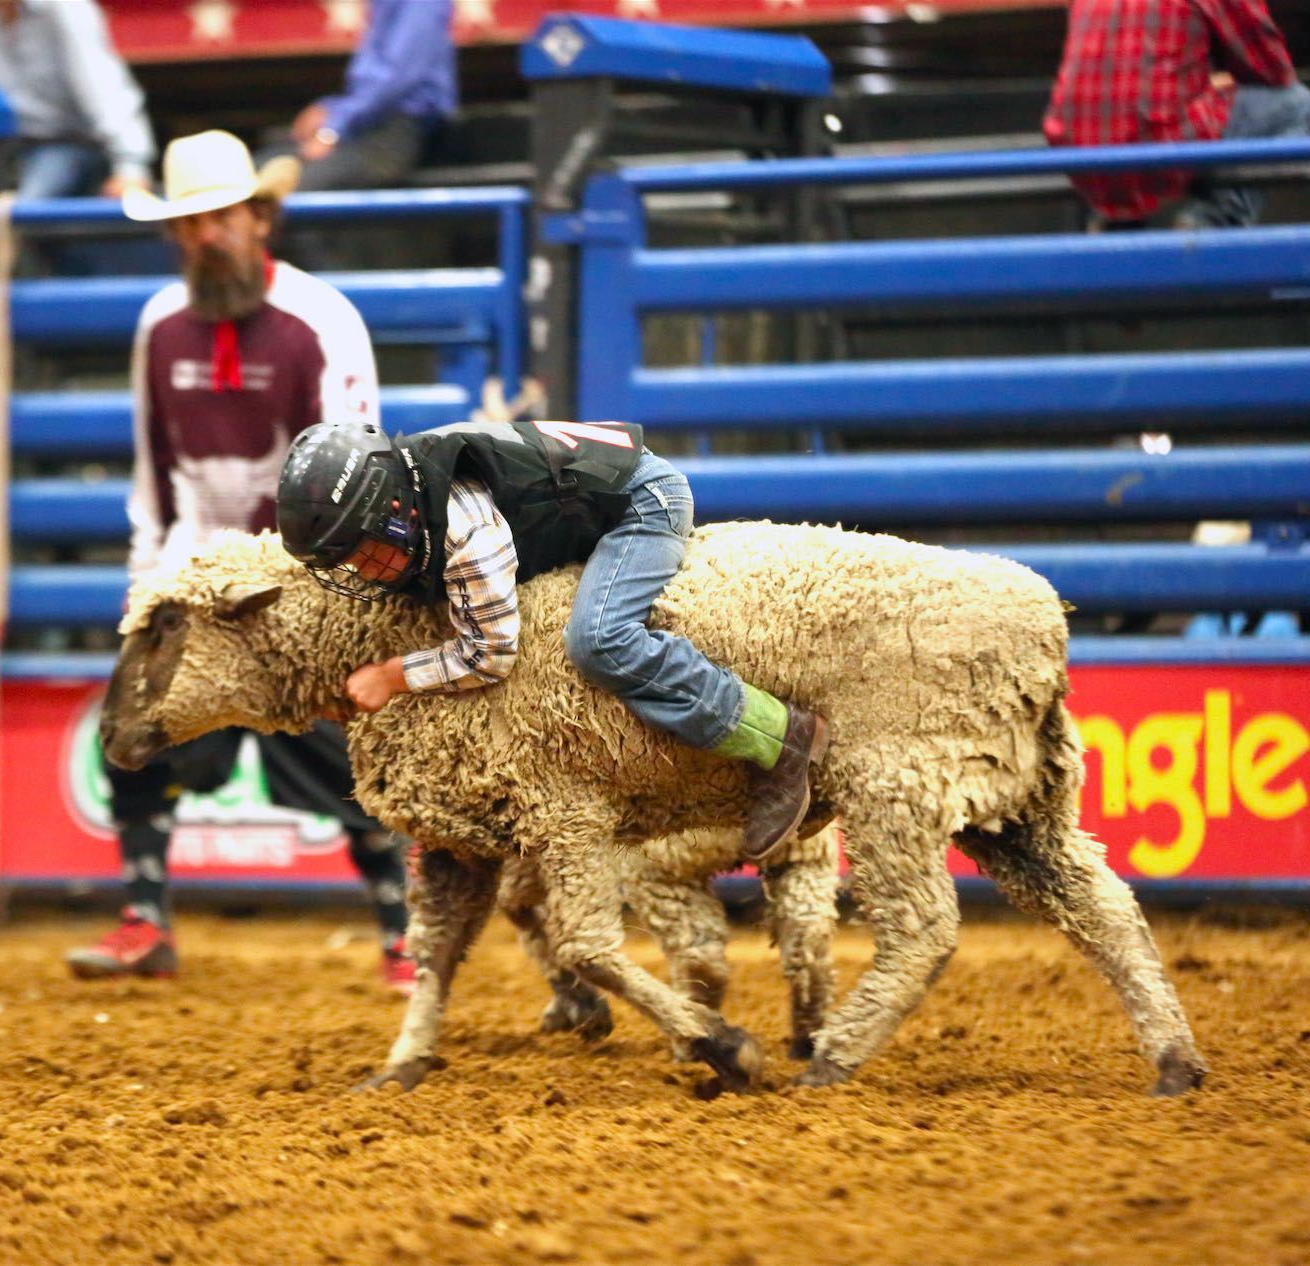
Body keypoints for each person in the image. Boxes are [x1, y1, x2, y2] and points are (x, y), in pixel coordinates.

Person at [65, 131, 410, 989]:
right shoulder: (159, 326)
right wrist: (149, 588)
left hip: (299, 581)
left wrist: (330, 598)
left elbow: (354, 468)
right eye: (190, 223)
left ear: (260, 218)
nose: (207, 235)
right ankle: (145, 920)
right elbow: (155, 471)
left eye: (222, 217)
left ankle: (406, 935)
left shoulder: (320, 321)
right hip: (196, 574)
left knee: (348, 757)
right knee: (136, 728)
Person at [275, 420, 830, 862]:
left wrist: (392, 675)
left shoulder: (468, 532)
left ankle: (780, 736)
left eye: (359, 551)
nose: (357, 570)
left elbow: (490, 655)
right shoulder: (412, 488)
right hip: (583, 503)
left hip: (641, 501)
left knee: (600, 641)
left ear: (394, 511)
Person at [1043, 0, 1310, 229]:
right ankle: (1215, 221)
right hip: (1156, 144)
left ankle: (1117, 223)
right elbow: (1270, 67)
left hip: (1077, 151)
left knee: (1135, 116)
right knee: (1297, 104)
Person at [272, 0, 457, 269]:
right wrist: (330, 109)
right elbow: (371, 86)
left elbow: (397, 79)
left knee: (295, 193)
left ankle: (334, 290)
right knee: (267, 168)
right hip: (368, 127)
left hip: (397, 134)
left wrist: (332, 129)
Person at [0, 0, 155, 200]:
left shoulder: (65, 7)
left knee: (24, 212)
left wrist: (131, 168)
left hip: (68, 144)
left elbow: (105, 90)